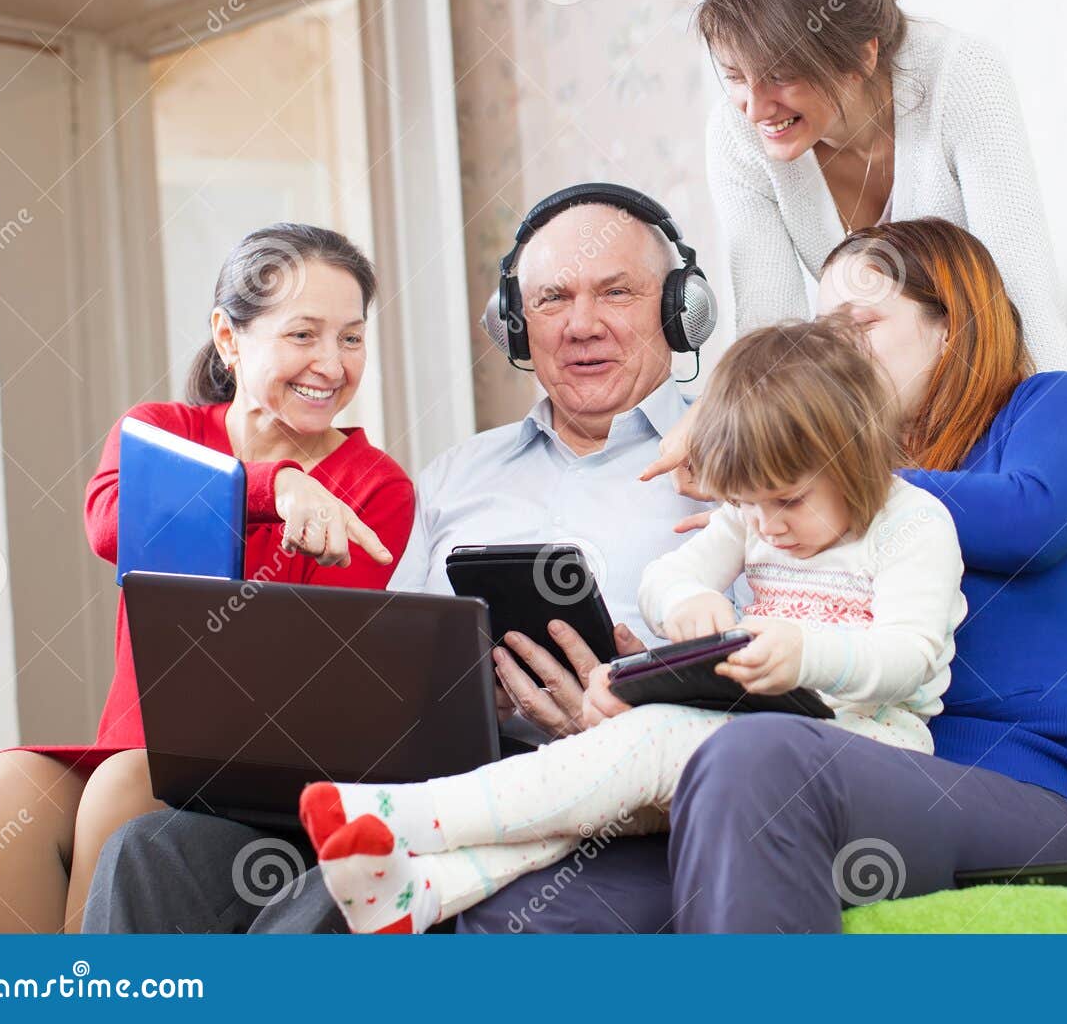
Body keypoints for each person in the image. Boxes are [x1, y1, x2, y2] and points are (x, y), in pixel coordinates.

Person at [466, 217, 1067, 932]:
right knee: (531, 910)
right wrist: (661, 680)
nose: (835, 351)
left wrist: (825, 467)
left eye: (859, 323)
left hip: (1016, 793)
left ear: (951, 326)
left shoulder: (1052, 406)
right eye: (825, 330)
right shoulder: (811, 504)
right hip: (828, 764)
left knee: (756, 758)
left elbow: (1038, 515)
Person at [82, 189, 714, 933]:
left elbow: (780, 662)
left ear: (679, 310)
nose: (581, 324)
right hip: (443, 775)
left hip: (618, 788)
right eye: (551, 298)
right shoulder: (455, 475)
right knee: (149, 853)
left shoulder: (736, 460)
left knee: (336, 902)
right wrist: (465, 692)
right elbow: (379, 657)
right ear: (514, 321)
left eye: (616, 292)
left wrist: (639, 698)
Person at [296, 319, 966, 933]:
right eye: (748, 503)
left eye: (788, 501)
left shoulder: (914, 523)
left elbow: (908, 655)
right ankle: (424, 888)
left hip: (875, 750)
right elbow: (665, 579)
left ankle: (404, 815)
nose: (766, 525)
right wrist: (686, 604)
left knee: (649, 739)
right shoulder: (758, 510)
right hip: (759, 738)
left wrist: (802, 652)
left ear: (859, 456)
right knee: (600, 794)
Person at [0, 224, 414, 933]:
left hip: (258, 767)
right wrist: (275, 485)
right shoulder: (157, 432)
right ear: (229, 337)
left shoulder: (374, 485)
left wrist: (291, 486)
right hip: (130, 746)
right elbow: (114, 525)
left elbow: (307, 659)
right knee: (0, 790)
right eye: (304, 335)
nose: (332, 362)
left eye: (351, 338)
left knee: (125, 782)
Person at [698, 0, 1067, 372]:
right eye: (736, 77)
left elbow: (1026, 301)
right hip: (871, 409)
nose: (755, 110)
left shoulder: (960, 76)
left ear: (861, 56)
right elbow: (771, 345)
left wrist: (1056, 421)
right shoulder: (737, 135)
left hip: (986, 386)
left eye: (781, 76)